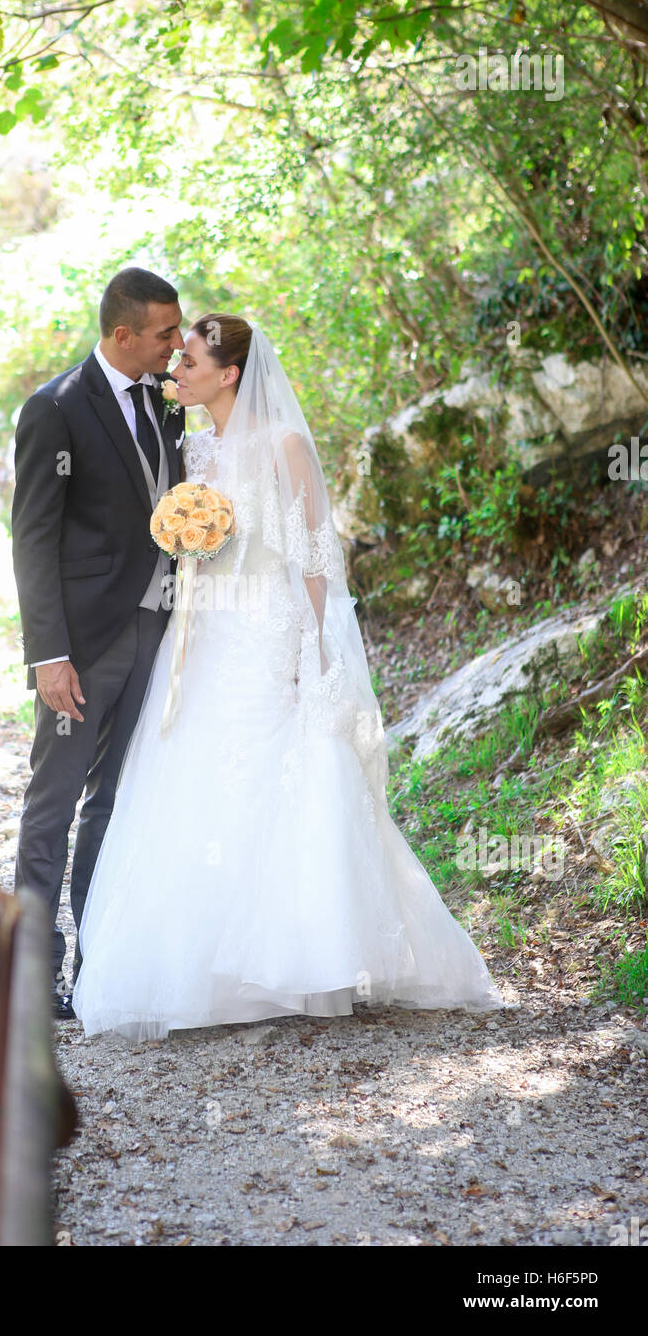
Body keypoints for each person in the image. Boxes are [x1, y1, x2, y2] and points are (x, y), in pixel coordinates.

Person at [72, 314, 506, 1041]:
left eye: (191, 360)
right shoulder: (195, 450)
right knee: (196, 777)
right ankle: (212, 968)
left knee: (291, 771)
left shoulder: (286, 445)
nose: (177, 370)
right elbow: (195, 555)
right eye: (175, 360)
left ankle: (306, 956)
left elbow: (315, 560)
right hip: (207, 634)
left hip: (272, 630)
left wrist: (316, 649)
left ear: (230, 372)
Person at [11, 267, 186, 1018]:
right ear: (122, 335)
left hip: (158, 630)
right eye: (165, 334)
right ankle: (29, 975)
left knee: (114, 798)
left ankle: (97, 965)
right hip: (81, 650)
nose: (177, 346)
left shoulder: (168, 406)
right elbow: (32, 537)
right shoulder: (54, 409)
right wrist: (48, 655)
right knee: (52, 805)